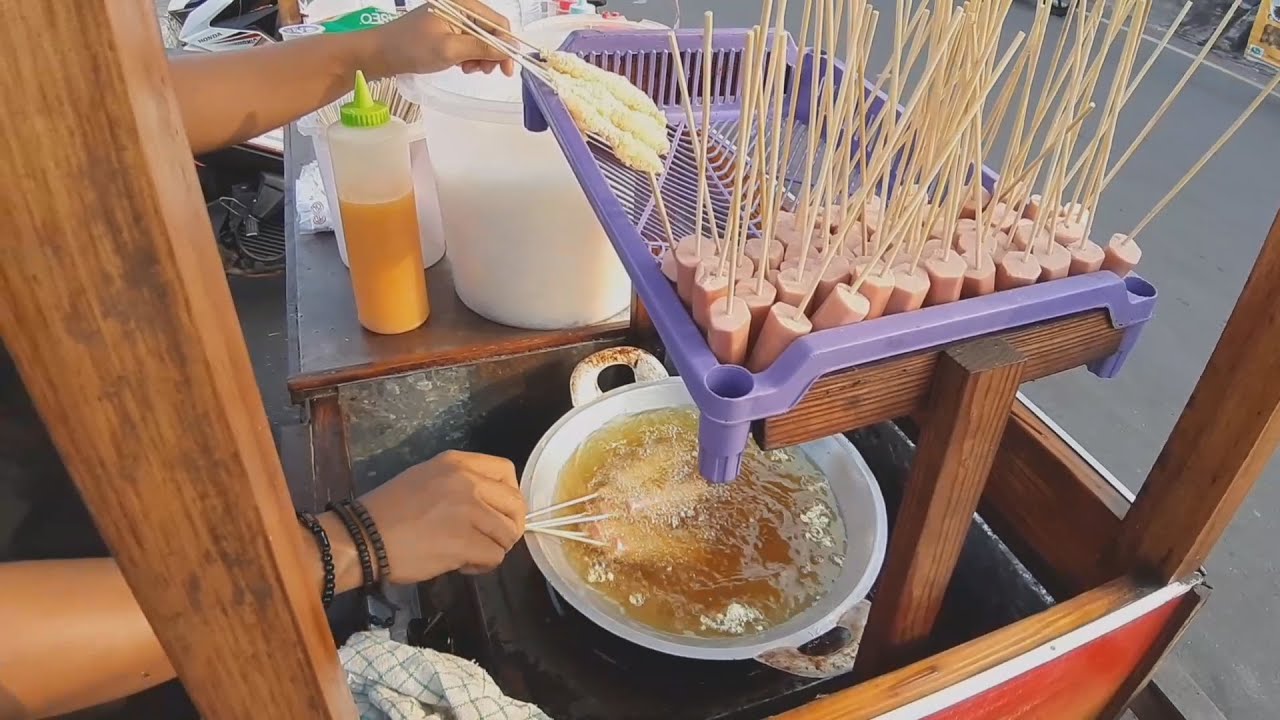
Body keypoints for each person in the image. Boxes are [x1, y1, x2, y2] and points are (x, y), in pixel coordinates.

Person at [0, 3, 525, 718]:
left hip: (183, 540)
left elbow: (93, 111)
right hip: (126, 661)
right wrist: (345, 545)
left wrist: (374, 50)